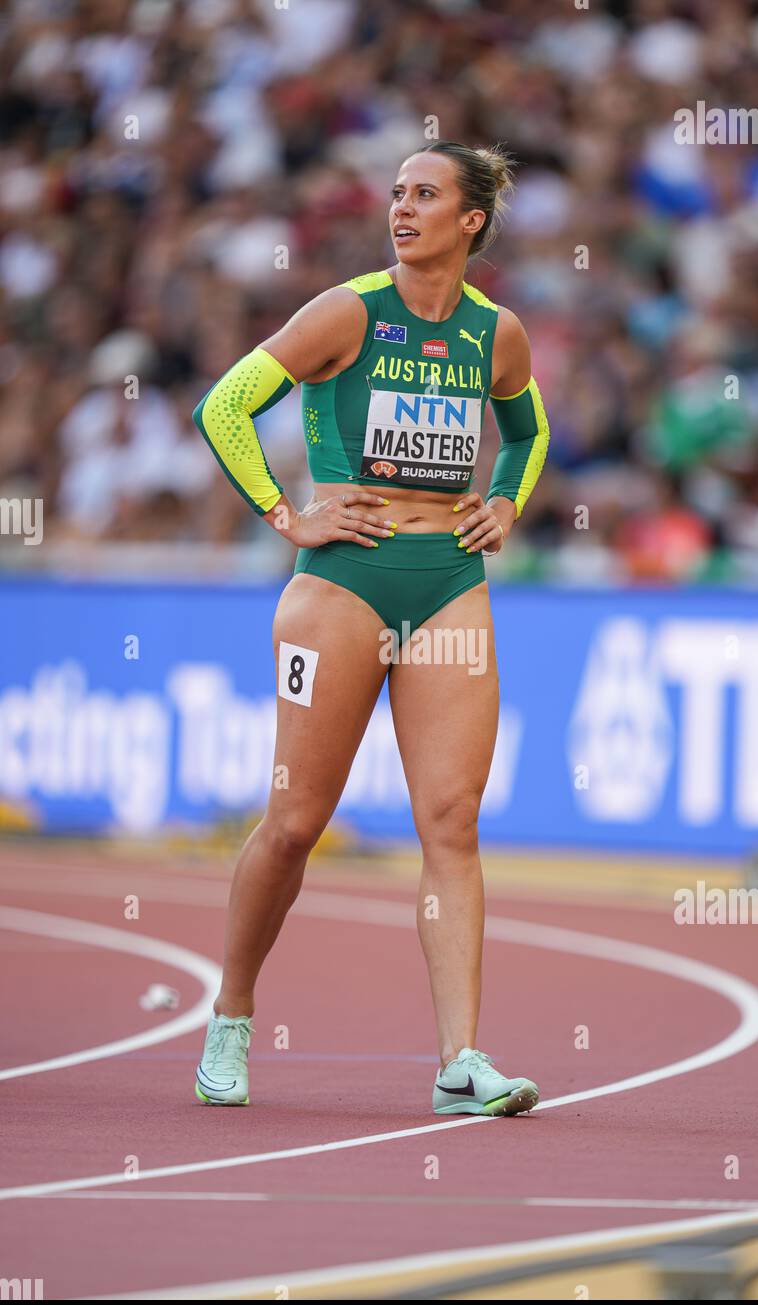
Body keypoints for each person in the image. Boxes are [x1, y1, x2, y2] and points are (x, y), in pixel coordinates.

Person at [191, 141, 549, 1116]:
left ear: (469, 220)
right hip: (339, 585)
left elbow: (527, 435)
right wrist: (284, 513)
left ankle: (460, 1059)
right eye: (395, 193)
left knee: (452, 820)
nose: (401, 208)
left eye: (423, 195)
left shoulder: (495, 333)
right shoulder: (348, 312)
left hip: (447, 583)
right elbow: (224, 405)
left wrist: (506, 503)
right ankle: (229, 1013)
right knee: (298, 821)